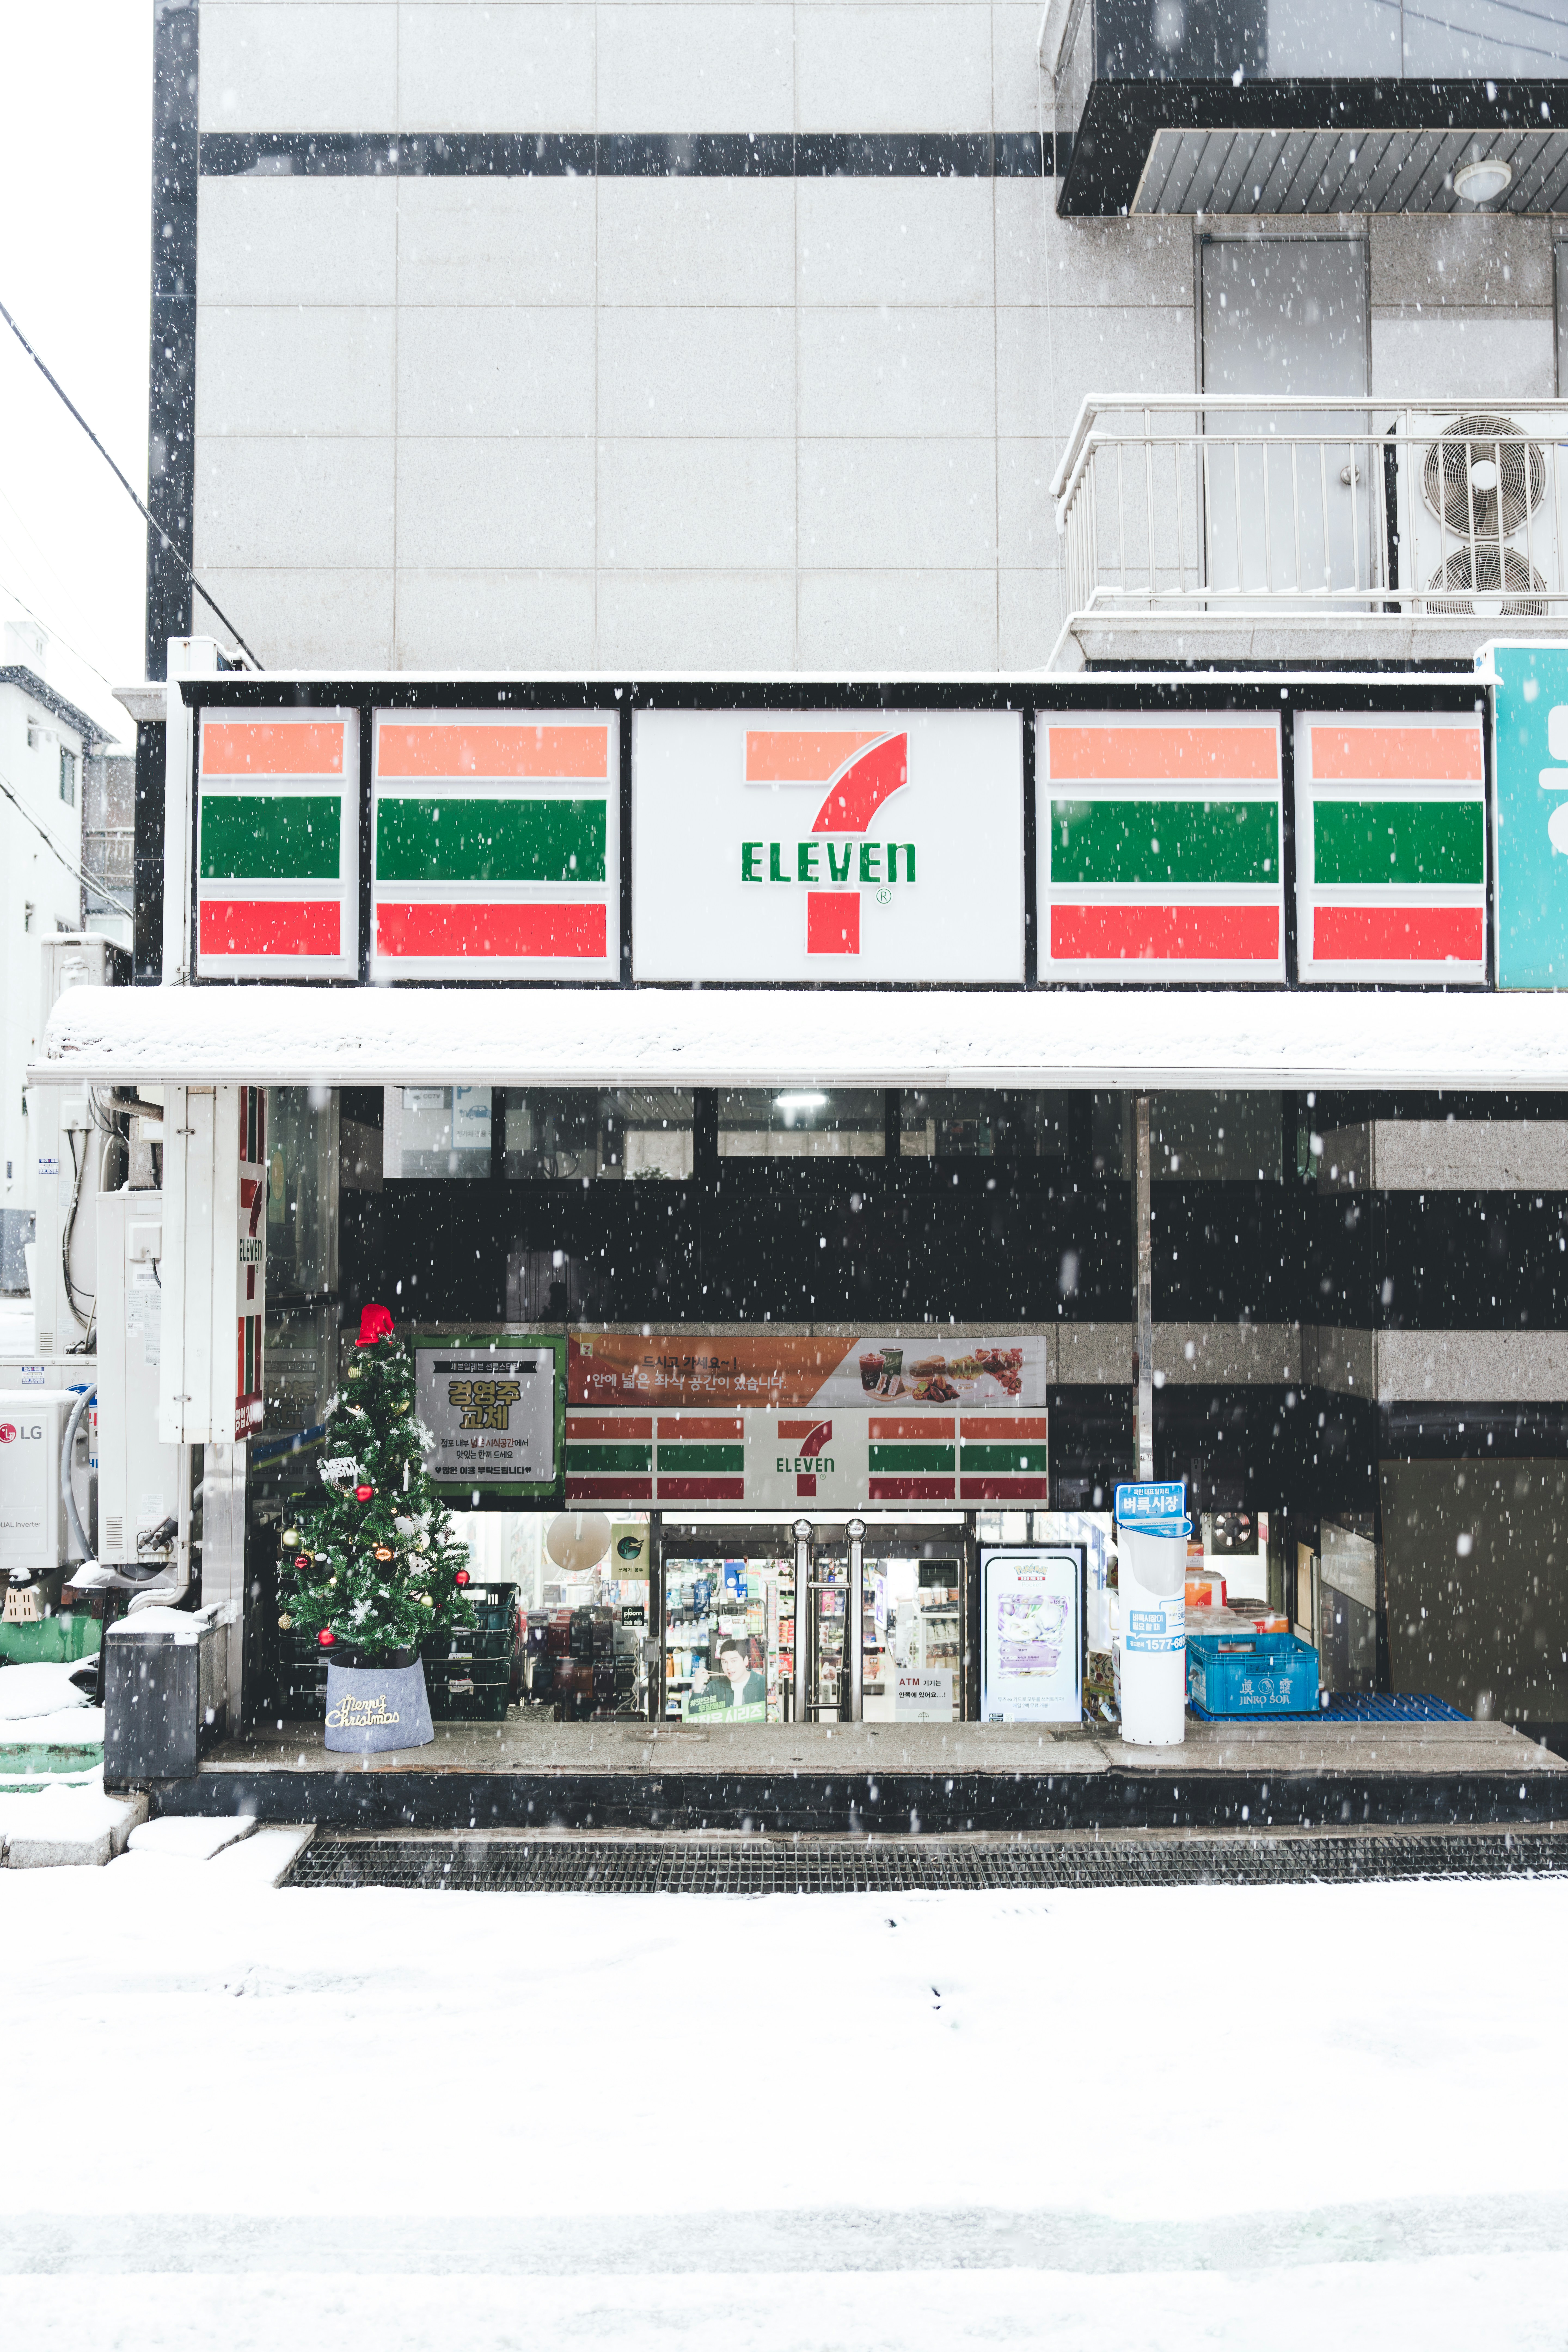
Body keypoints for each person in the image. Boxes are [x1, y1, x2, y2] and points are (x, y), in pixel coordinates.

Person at [717, 1634, 765, 1709]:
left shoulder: (762, 1682)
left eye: (734, 1661)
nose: (729, 1667)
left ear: (746, 1661)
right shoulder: (714, 1687)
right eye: (725, 1662)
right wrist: (697, 1689)